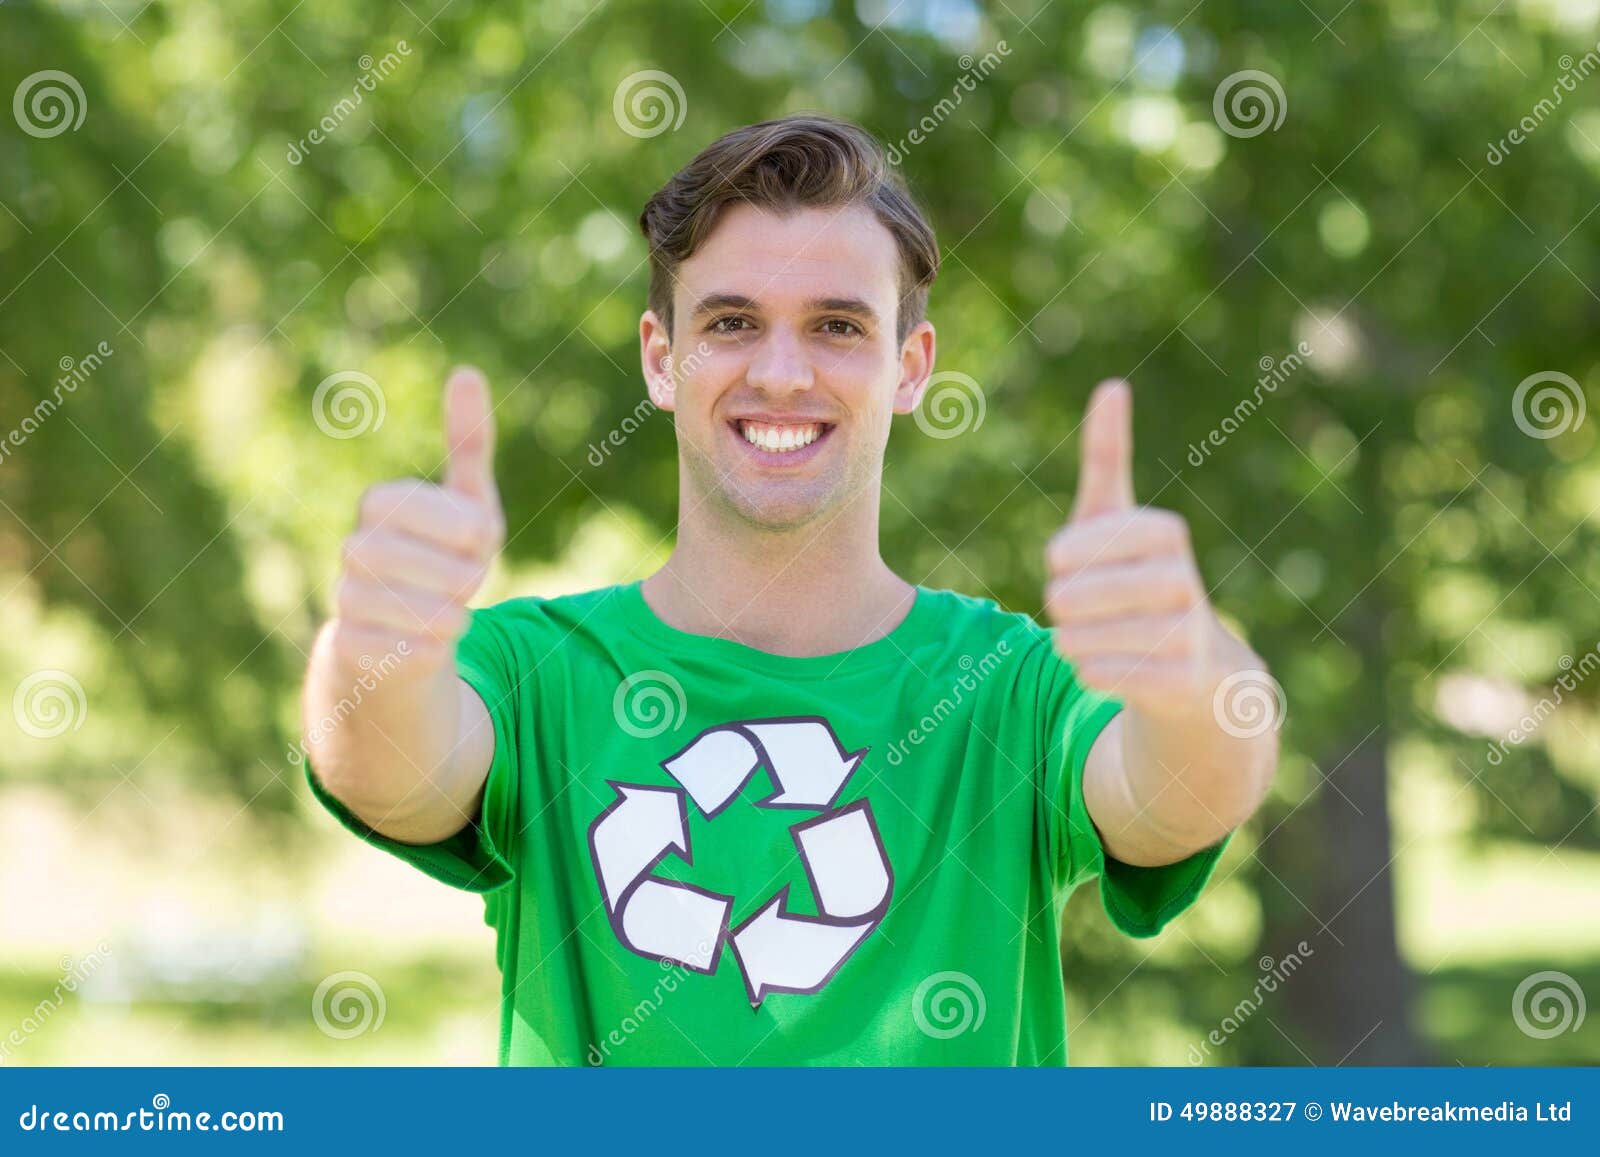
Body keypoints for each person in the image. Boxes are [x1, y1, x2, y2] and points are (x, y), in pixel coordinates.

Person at [300, 113, 1280, 1065]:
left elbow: (1177, 796)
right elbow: (386, 770)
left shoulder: (1006, 688)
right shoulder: (538, 670)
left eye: (837, 327)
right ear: (659, 357)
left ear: (909, 367)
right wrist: (374, 641)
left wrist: (1189, 668)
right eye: (730, 322)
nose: (779, 373)